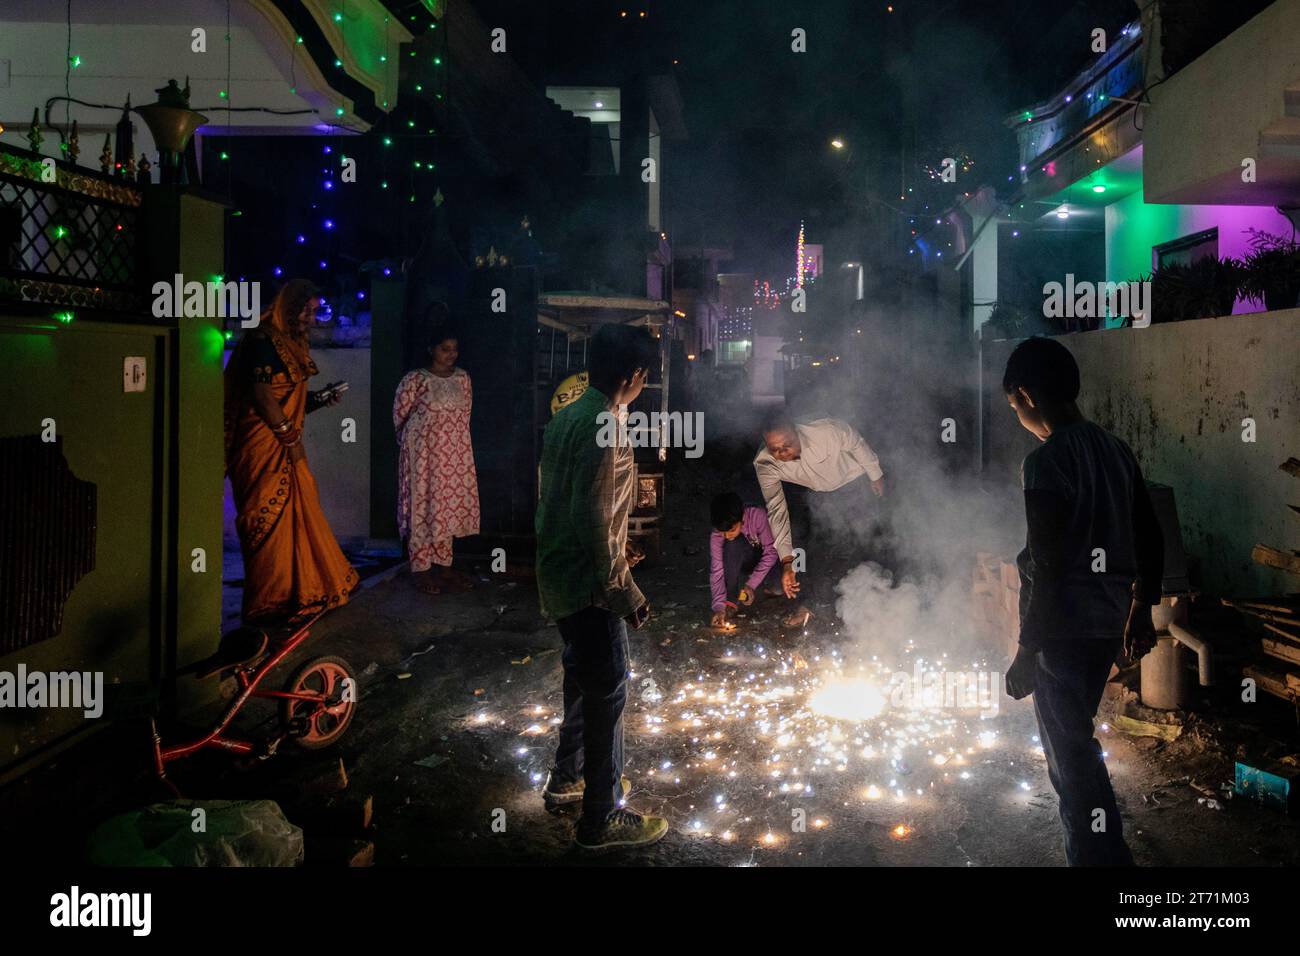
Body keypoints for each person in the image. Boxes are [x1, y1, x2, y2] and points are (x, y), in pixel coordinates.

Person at [1001, 336, 1164, 866]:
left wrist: (1028, 649)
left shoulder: (1045, 463)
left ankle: (1103, 862)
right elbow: (1150, 534)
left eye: (1013, 408)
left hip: (1061, 632)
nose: (1018, 417)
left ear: (1025, 395)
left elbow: (1047, 565)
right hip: (1106, 624)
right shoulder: (1116, 450)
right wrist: (1141, 609)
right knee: (1078, 744)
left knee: (1071, 761)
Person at [535, 322, 668, 852]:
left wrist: (614, 548)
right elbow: (594, 514)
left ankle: (569, 778)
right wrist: (624, 589)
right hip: (591, 585)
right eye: (645, 376)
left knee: (582, 679)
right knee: (608, 687)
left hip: (563, 571)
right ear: (633, 375)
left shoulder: (571, 414)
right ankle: (600, 815)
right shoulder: (607, 425)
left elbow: (560, 501)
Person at [223, 279, 358, 624]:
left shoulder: (290, 343)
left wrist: (318, 400)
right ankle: (267, 606)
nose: (311, 318)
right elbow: (262, 395)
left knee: (293, 520)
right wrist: (288, 436)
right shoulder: (262, 339)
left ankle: (297, 597)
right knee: (264, 521)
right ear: (288, 306)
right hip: (260, 447)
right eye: (306, 309)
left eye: (315, 311)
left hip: (283, 443)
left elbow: (288, 402)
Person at [754, 410, 886, 618]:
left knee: (865, 541)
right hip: (821, 494)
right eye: (775, 448)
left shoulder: (826, 431)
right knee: (819, 547)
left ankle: (878, 604)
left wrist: (875, 474)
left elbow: (856, 442)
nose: (782, 452)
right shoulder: (765, 465)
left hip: (854, 480)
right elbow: (776, 511)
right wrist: (787, 561)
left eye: (787, 443)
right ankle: (813, 605)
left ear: (796, 431)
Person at [392, 319, 481, 594]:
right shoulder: (415, 379)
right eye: (445, 349)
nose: (451, 354)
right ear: (432, 349)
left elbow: (465, 414)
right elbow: (400, 416)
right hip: (423, 457)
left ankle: (444, 568)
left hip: (454, 456)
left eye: (454, 349)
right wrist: (415, 447)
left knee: (446, 508)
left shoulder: (463, 378)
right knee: (423, 506)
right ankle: (421, 569)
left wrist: (457, 450)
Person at [707, 491, 784, 630]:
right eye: (722, 532)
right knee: (731, 544)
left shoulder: (757, 515)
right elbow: (717, 570)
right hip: (744, 559)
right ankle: (730, 601)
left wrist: (751, 585)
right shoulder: (718, 534)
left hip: (769, 559)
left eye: (731, 530)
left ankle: (760, 586)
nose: (726, 535)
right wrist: (719, 606)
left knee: (778, 588)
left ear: (742, 518)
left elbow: (771, 552)